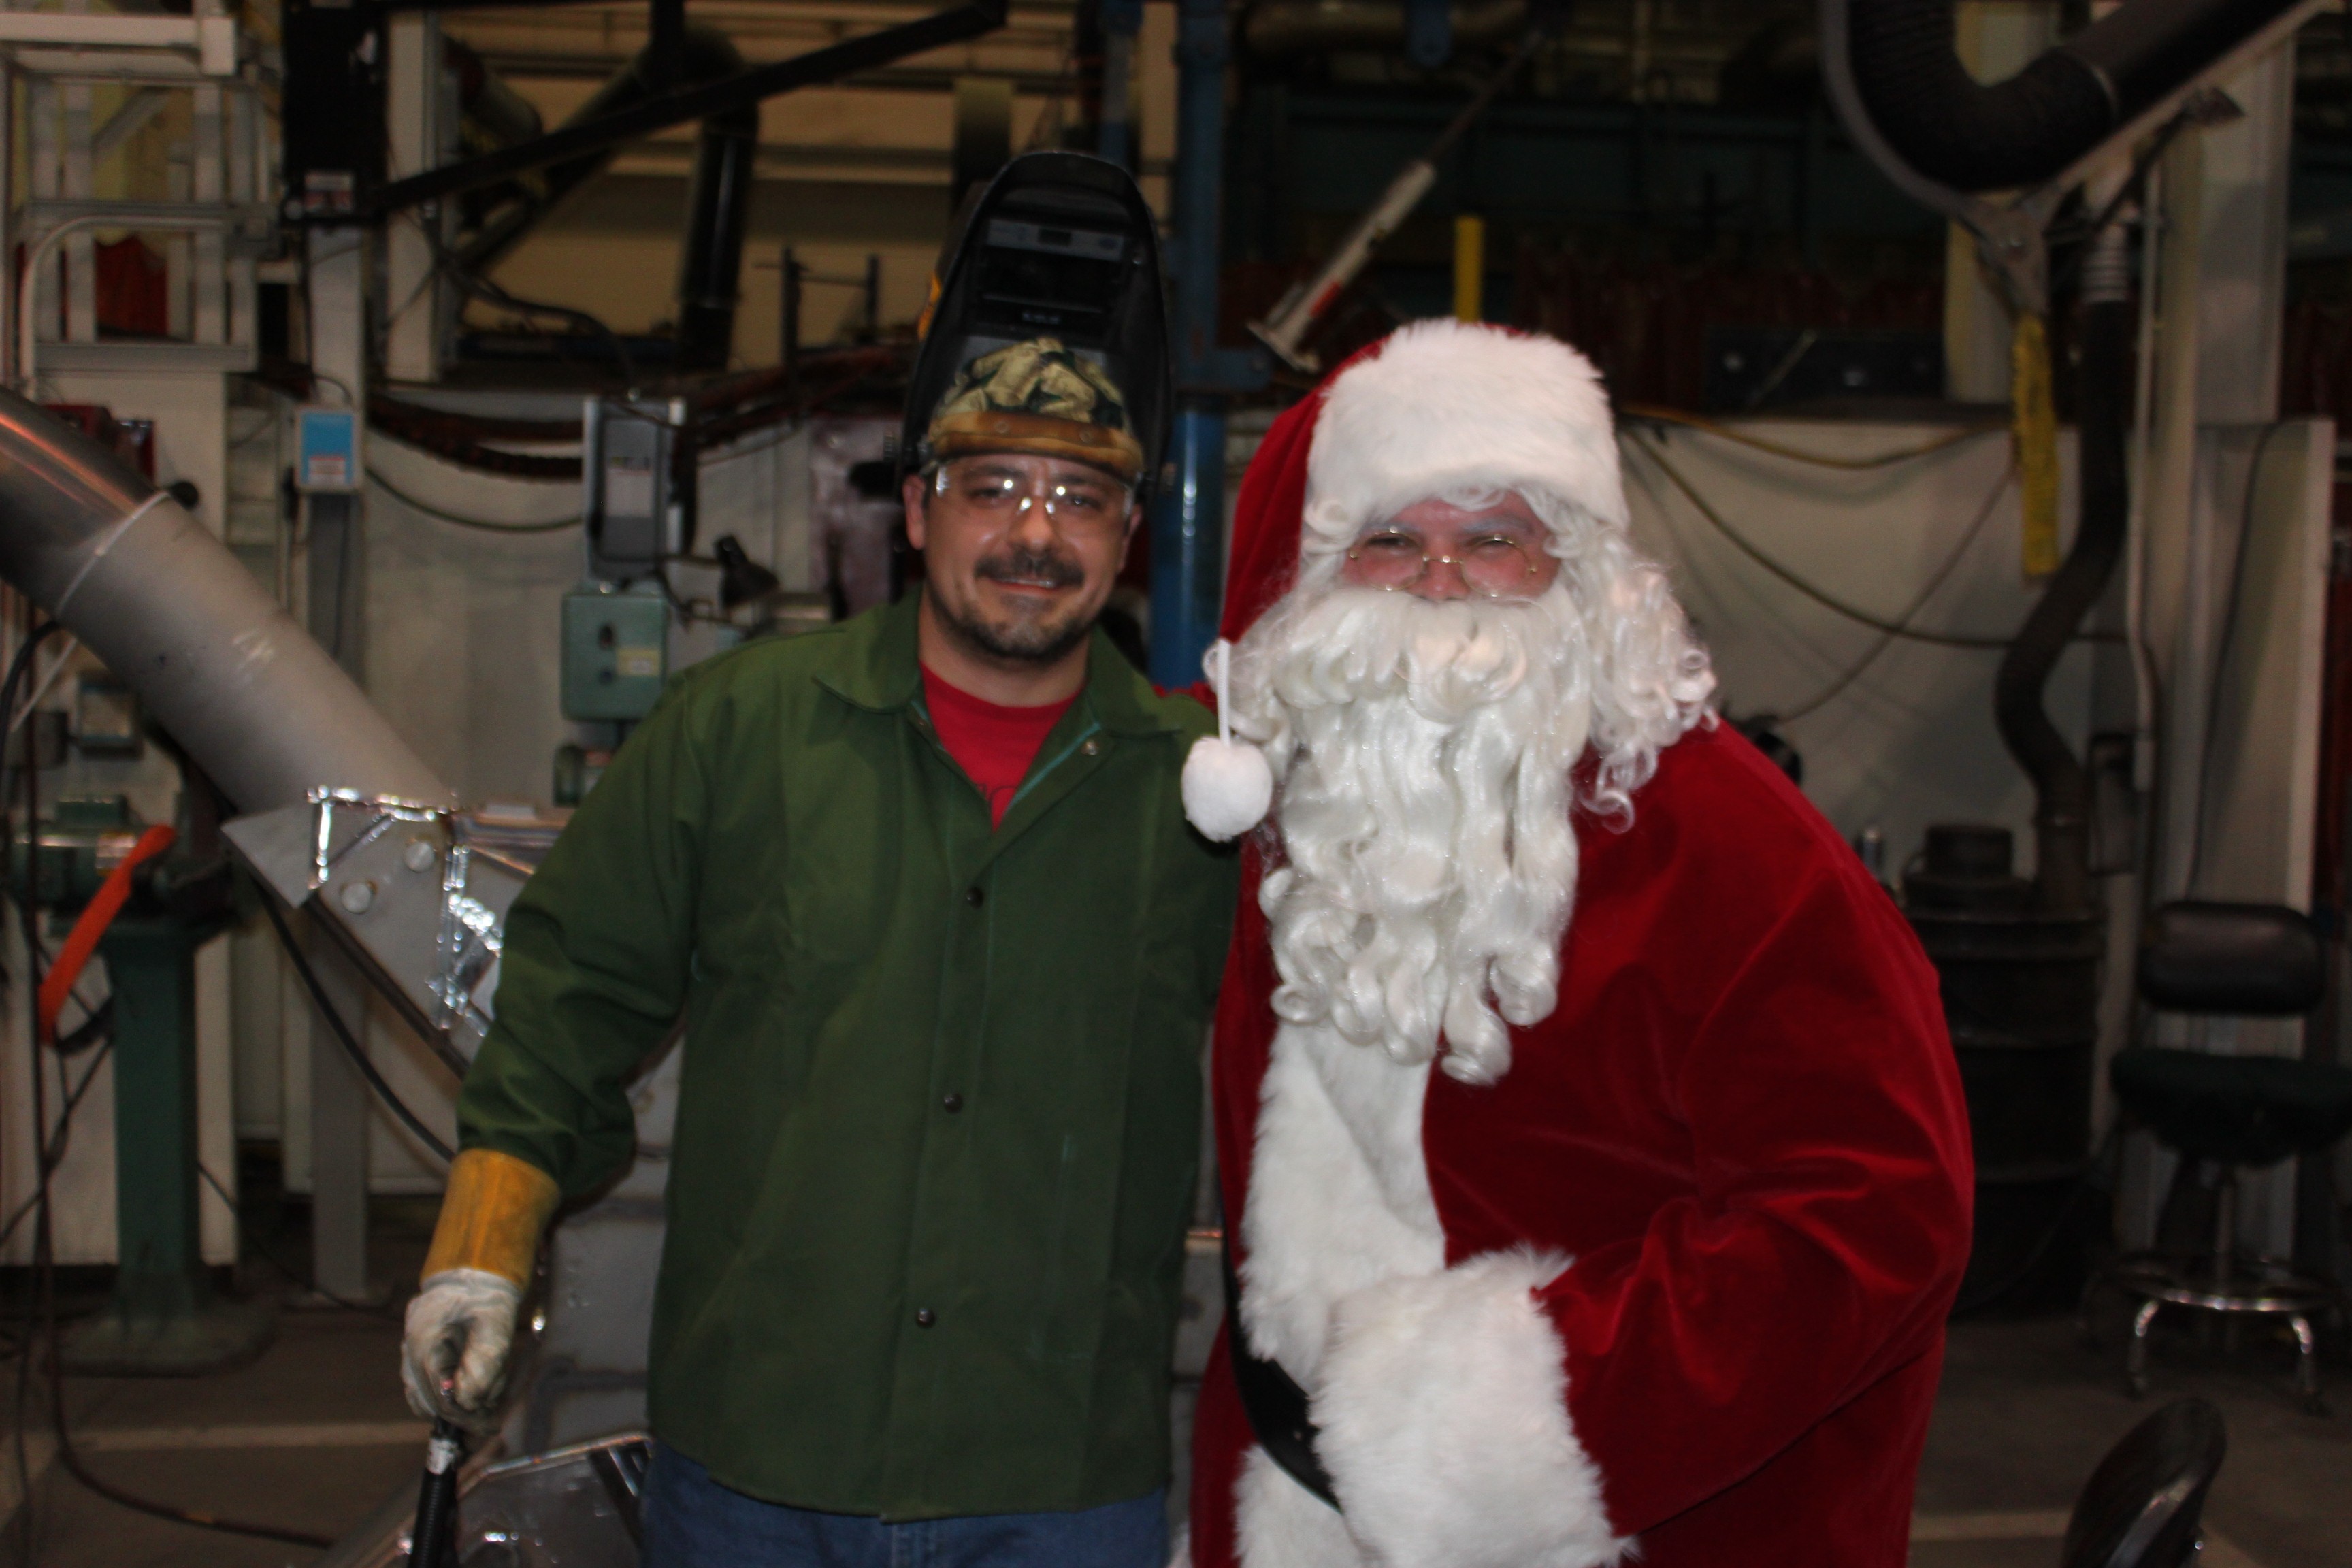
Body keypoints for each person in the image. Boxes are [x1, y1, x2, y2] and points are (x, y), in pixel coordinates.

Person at [399, 207, 1239, 1560]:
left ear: (1128, 533)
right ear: (916, 510)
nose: (1037, 532)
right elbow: (571, 997)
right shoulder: (741, 734)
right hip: (760, 1470)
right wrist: (481, 1245)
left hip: (1055, 1478)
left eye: (1080, 498)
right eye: (994, 487)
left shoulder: (1200, 796)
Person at [1175, 319, 1972, 1568]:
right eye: (1392, 540)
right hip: (1285, 1503)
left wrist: (1499, 1423)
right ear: (1323, 583)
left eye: (1496, 540)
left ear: (1582, 571)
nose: (1441, 581)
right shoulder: (1283, 801)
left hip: (1608, 1518)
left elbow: (1874, 1213)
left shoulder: (1734, 850)